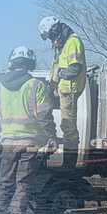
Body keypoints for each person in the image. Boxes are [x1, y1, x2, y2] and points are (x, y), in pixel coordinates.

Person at [0, 46, 57, 214]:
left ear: (12, 62)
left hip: (7, 143)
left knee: (4, 184)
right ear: (30, 64)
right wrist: (52, 137)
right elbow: (45, 116)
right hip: (30, 144)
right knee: (22, 185)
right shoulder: (36, 85)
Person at [38, 16, 86, 168]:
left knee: (68, 127)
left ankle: (69, 166)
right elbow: (56, 66)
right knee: (61, 124)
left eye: (50, 36)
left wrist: (59, 75)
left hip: (69, 90)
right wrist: (51, 85)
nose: (50, 40)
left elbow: (74, 69)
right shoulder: (62, 45)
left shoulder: (73, 42)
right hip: (62, 90)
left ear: (54, 30)